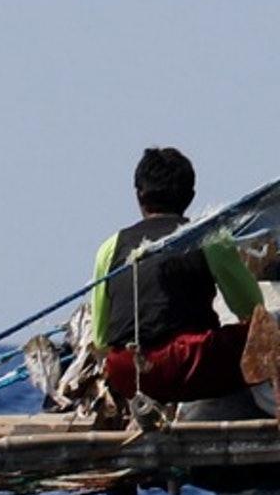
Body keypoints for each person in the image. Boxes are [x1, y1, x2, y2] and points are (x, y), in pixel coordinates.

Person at [90, 147, 265, 409]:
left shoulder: (110, 247)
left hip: (129, 373)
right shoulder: (210, 239)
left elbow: (101, 338)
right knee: (266, 334)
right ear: (190, 196)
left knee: (120, 358)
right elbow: (252, 309)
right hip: (190, 366)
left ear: (139, 194)